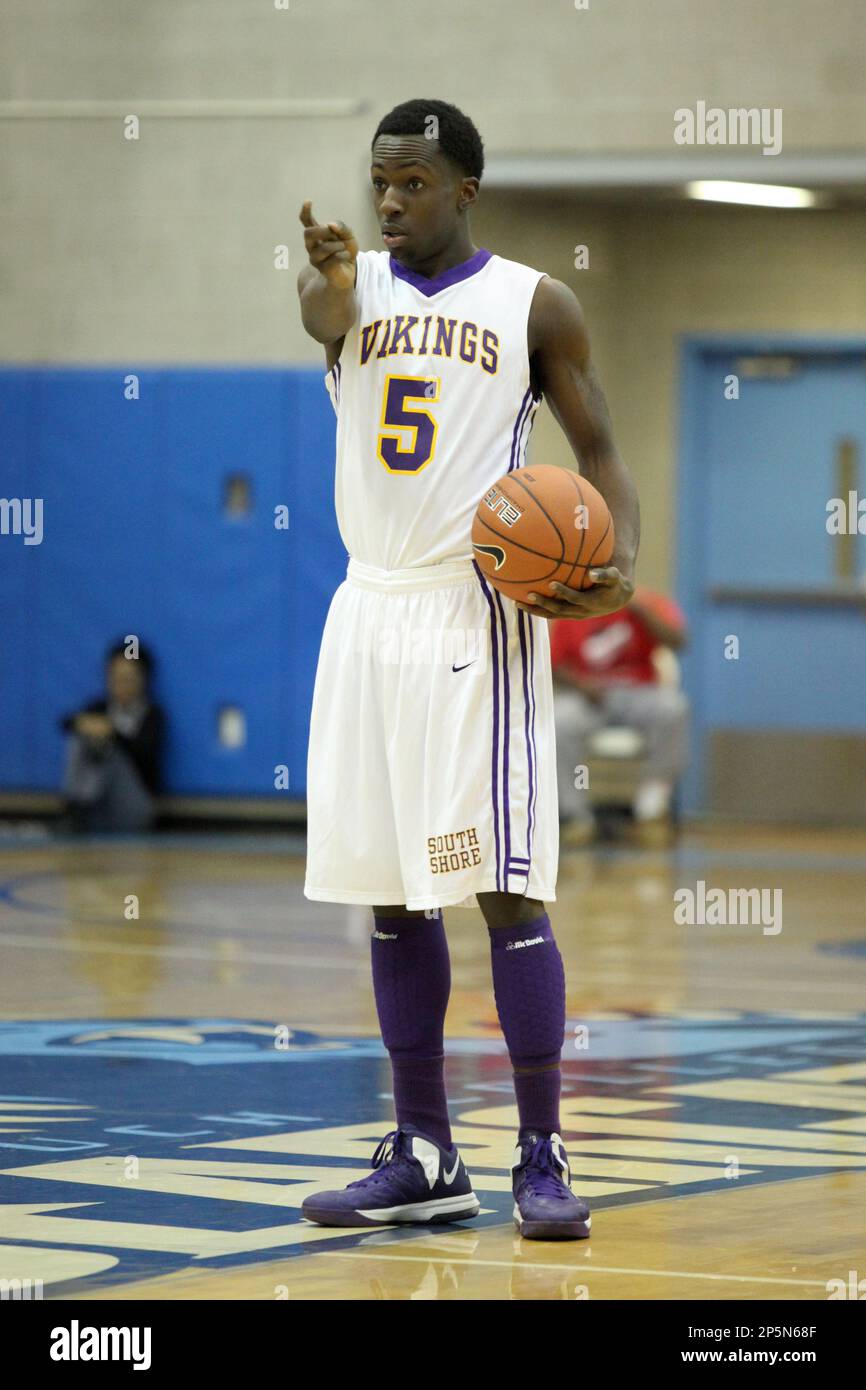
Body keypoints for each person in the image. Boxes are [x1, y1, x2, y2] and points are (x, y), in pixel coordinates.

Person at [297, 99, 639, 1240]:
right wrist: (334, 277)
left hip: (476, 610)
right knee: (395, 896)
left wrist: (620, 559)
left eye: (410, 184)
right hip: (367, 612)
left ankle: (540, 1155)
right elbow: (321, 307)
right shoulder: (352, 291)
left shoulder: (535, 302)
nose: (388, 203)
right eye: (377, 183)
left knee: (503, 886)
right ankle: (424, 1149)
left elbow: (597, 451)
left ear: (462, 188)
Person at [552, 587, 689, 846]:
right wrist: (582, 685)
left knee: (673, 709)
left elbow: (679, 641)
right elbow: (554, 663)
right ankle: (574, 817)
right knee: (558, 722)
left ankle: (650, 811)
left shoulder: (648, 602)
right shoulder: (573, 608)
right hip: (590, 696)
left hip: (637, 693)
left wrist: (640, 611)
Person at [58, 640, 165, 833]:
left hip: (131, 806)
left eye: (128, 679)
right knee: (82, 735)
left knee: (111, 753)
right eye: (115, 678)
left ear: (143, 680)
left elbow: (146, 756)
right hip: (96, 804)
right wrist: (87, 725)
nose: (121, 686)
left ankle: (78, 808)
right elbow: (66, 723)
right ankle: (74, 808)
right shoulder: (99, 708)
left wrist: (112, 734)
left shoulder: (153, 715)